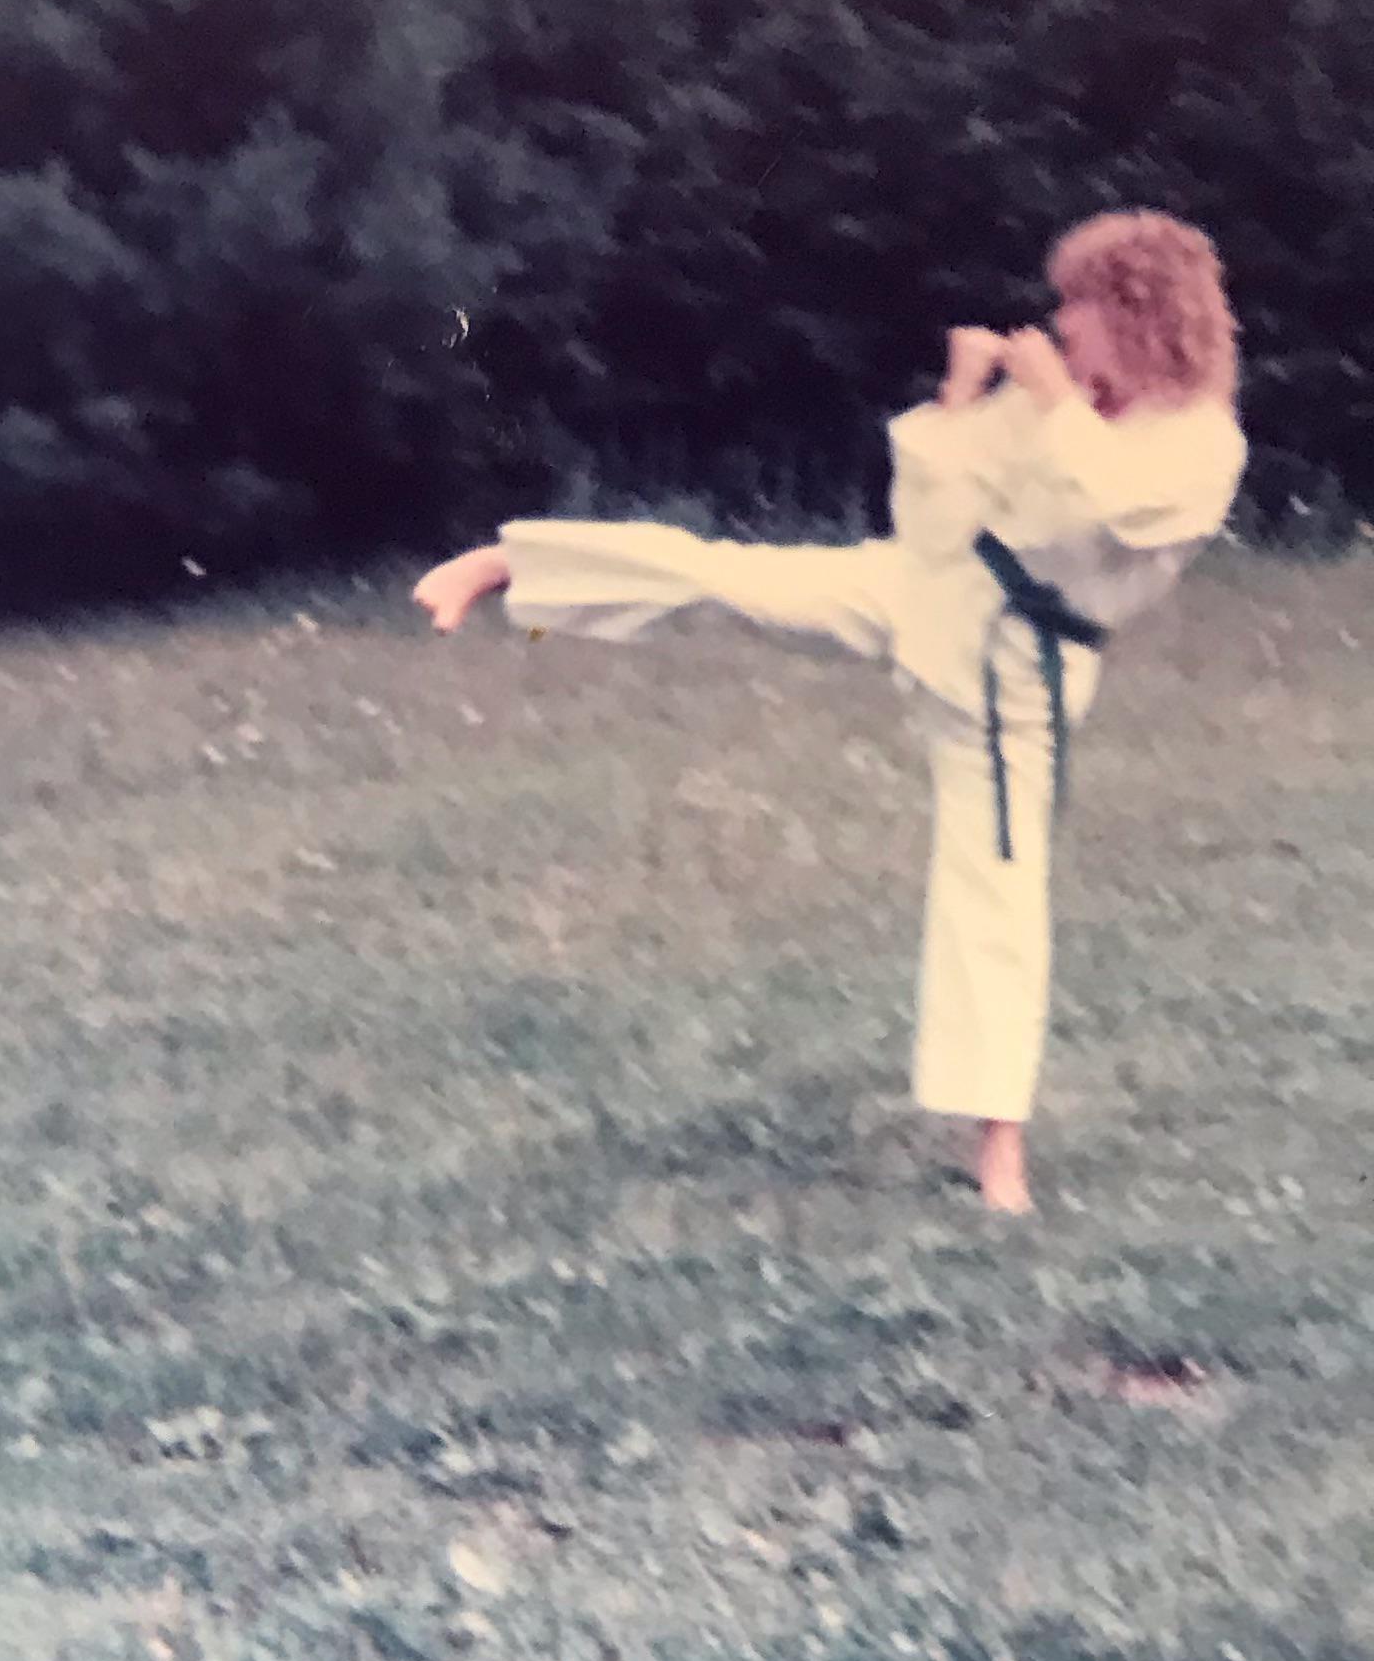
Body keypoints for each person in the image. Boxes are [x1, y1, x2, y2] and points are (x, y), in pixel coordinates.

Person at [414, 212, 1245, 1216]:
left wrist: (1054, 399)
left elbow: (1115, 506)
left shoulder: (1198, 443)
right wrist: (960, 400)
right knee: (725, 576)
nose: (1062, 324)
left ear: (1140, 315)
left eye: (1082, 306)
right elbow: (935, 513)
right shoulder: (1054, 404)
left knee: (994, 888)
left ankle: (999, 1155)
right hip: (924, 585)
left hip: (1019, 673)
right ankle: (510, 566)